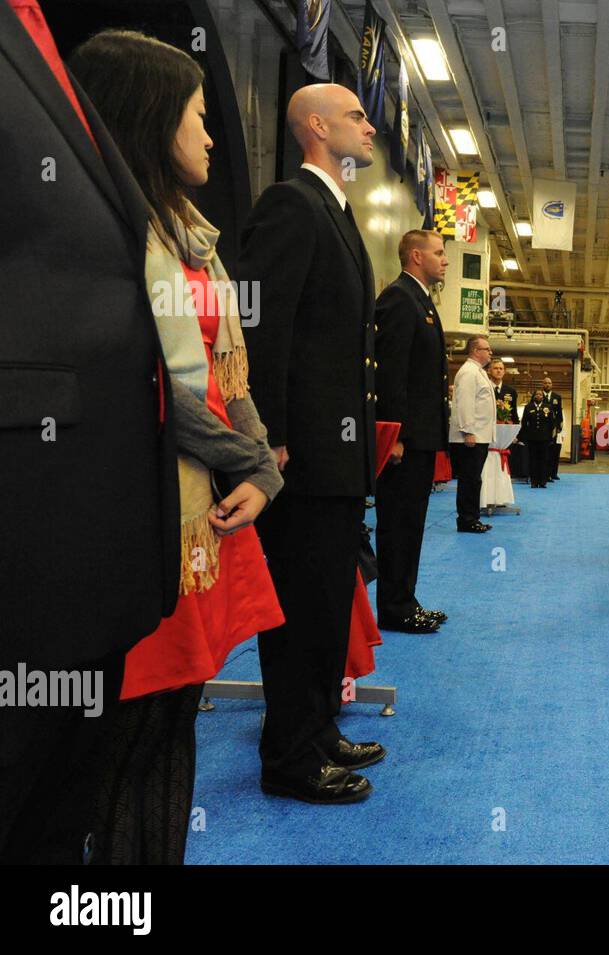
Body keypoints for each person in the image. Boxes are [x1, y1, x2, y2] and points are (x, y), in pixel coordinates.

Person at [68, 30, 286, 863]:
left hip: (203, 515)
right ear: (153, 119)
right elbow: (161, 393)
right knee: (123, 749)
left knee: (167, 733)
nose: (211, 135)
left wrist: (258, 465)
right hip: (142, 523)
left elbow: (232, 382)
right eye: (198, 116)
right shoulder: (115, 236)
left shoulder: (191, 235)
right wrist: (256, 461)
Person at [0, 1, 179, 864]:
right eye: (199, 118)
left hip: (93, 547)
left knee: (70, 805)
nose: (213, 137)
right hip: (31, 538)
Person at [238, 82, 382, 805]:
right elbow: (261, 328)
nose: (369, 124)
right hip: (302, 455)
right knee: (297, 608)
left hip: (338, 457)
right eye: (357, 114)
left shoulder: (338, 208)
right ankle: (288, 756)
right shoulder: (291, 204)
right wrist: (274, 437)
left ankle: (320, 727)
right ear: (316, 127)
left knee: (327, 601)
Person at [374, 229, 451, 634]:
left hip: (420, 436)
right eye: (439, 253)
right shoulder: (398, 299)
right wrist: (396, 434)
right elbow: (391, 373)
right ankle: (394, 606)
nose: (446, 260)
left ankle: (405, 598)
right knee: (399, 522)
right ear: (417, 256)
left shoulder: (420, 299)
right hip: (405, 439)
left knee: (412, 522)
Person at [450, 334, 495, 532]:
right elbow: (465, 403)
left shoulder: (478, 371)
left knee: (474, 479)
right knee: (469, 480)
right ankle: (467, 520)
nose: (491, 352)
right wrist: (468, 431)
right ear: (476, 351)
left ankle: (471, 518)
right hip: (470, 437)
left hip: (479, 436)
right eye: (487, 349)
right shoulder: (469, 372)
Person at [520, 389, 552, 488]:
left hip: (544, 438)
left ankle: (542, 481)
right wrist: (524, 436)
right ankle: (534, 481)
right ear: (534, 396)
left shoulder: (548, 407)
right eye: (537, 394)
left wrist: (550, 436)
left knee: (543, 460)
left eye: (540, 394)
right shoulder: (528, 407)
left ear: (543, 396)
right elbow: (524, 423)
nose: (539, 396)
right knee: (533, 460)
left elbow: (551, 423)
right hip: (532, 438)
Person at [541, 375, 563, 480]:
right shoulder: (538, 395)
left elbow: (559, 413)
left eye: (549, 383)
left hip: (553, 429)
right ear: (542, 384)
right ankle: (544, 474)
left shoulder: (557, 397)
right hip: (541, 428)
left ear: (552, 385)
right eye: (545, 383)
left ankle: (553, 473)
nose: (547, 385)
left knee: (553, 452)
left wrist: (559, 426)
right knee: (544, 452)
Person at [489, 357, 519, 423]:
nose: (498, 371)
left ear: (504, 372)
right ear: (489, 371)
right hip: (486, 427)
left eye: (501, 369)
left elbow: (514, 413)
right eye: (495, 368)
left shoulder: (511, 391)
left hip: (505, 429)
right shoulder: (484, 388)